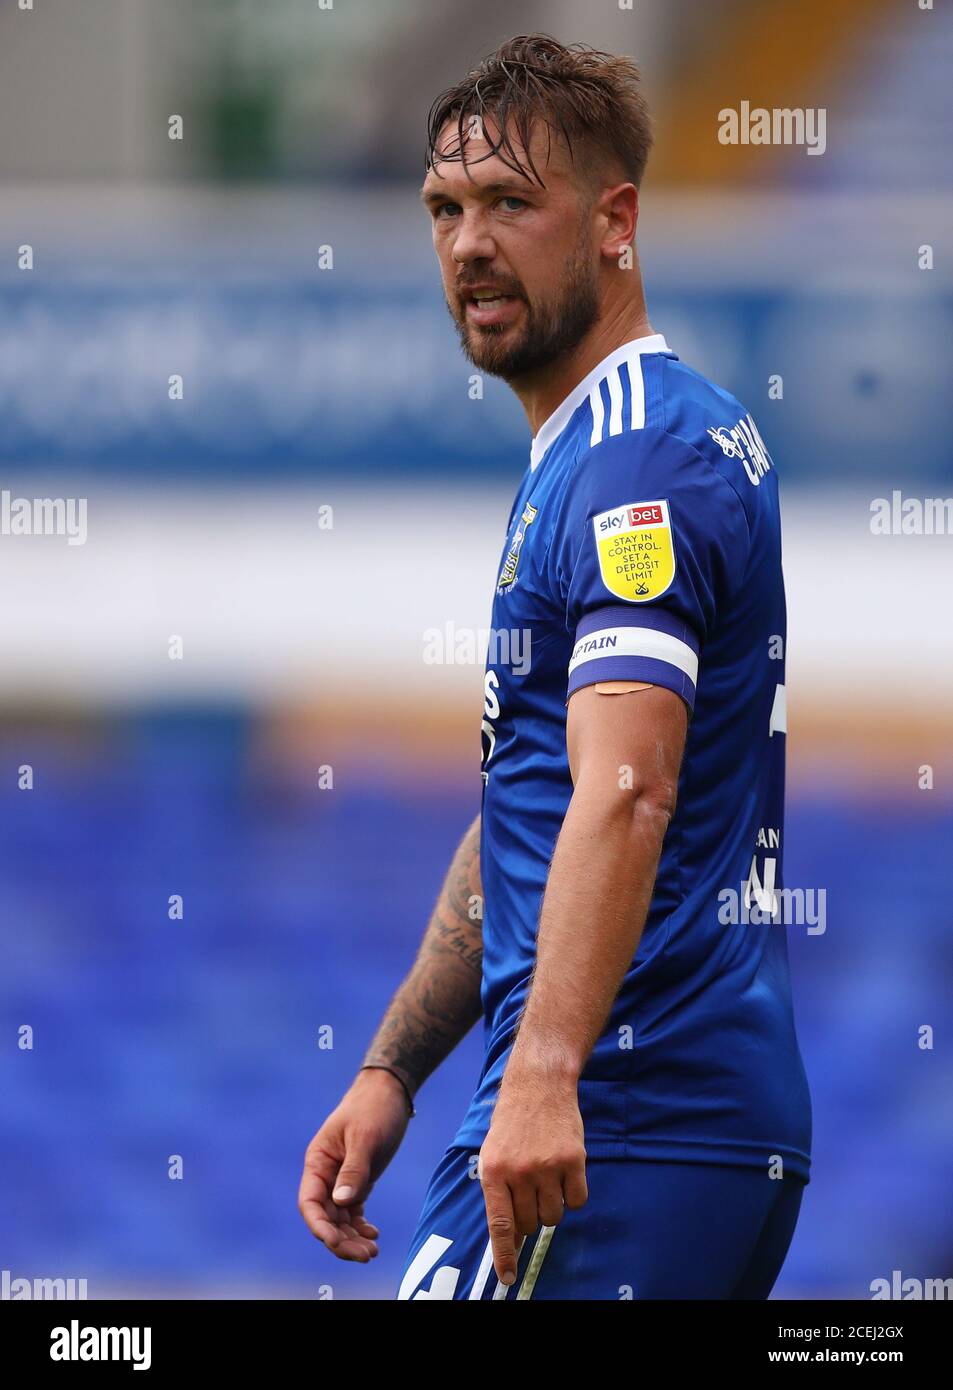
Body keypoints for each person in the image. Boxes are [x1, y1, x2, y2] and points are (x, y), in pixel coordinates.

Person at [298, 32, 812, 1301]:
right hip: (623, 1117)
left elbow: (622, 795)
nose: (468, 243)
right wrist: (391, 1069)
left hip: (624, 1117)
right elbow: (528, 812)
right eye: (444, 208)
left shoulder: (641, 460)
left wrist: (539, 1074)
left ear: (614, 222)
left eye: (511, 204)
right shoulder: (583, 455)